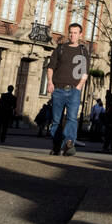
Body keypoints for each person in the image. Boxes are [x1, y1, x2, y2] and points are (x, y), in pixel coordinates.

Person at [47, 23, 90, 156]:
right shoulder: (60, 49)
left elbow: (85, 72)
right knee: (56, 120)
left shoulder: (83, 51)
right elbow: (50, 68)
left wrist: (78, 87)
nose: (73, 35)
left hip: (73, 91)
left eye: (76, 33)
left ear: (80, 35)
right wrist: (50, 83)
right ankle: (57, 144)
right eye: (71, 32)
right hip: (58, 90)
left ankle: (69, 142)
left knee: (72, 118)